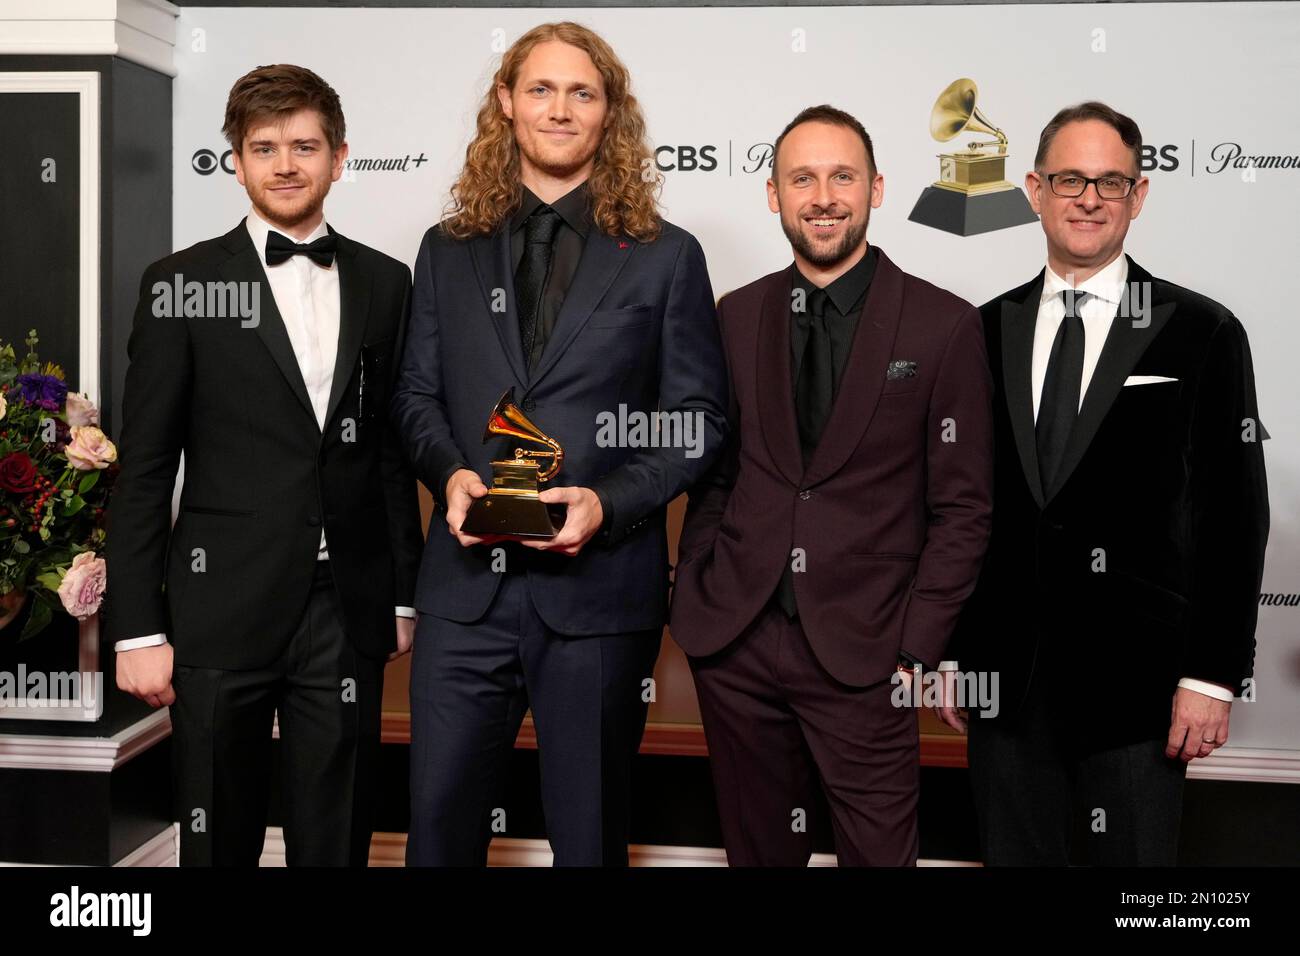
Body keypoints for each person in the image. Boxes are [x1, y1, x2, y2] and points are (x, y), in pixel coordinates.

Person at [392, 22, 728, 867]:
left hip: (600, 596)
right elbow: (415, 396)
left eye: (583, 92)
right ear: (505, 103)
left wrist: (606, 503)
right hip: (464, 593)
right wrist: (452, 474)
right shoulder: (447, 250)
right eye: (540, 89)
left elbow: (699, 421)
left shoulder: (665, 257)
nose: (560, 109)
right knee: (437, 832)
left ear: (609, 112)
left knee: (589, 838)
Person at [107, 64, 423, 866]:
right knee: (217, 836)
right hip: (217, 606)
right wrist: (137, 627)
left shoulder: (387, 284)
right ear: (237, 162)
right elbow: (144, 468)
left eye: (305, 146)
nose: (286, 163)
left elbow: (386, 451)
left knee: (338, 834)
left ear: (339, 156)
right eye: (265, 147)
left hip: (343, 609)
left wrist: (401, 595)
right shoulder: (180, 285)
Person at [940, 101, 1270, 866]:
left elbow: (1233, 515)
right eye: (1070, 179)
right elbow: (960, 503)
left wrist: (1214, 676)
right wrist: (956, 652)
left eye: (1110, 182)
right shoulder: (981, 331)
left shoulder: (1201, 329)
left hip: (1141, 693)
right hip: (1007, 683)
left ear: (1139, 195)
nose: (1089, 198)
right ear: (1033, 189)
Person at [670, 105, 994, 866]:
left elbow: (964, 508)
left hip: (869, 654)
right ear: (773, 195)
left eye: (842, 176)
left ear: (877, 189)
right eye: (802, 178)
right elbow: (715, 475)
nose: (824, 196)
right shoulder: (738, 314)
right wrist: (701, 592)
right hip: (737, 645)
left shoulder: (942, 326)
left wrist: (915, 650)